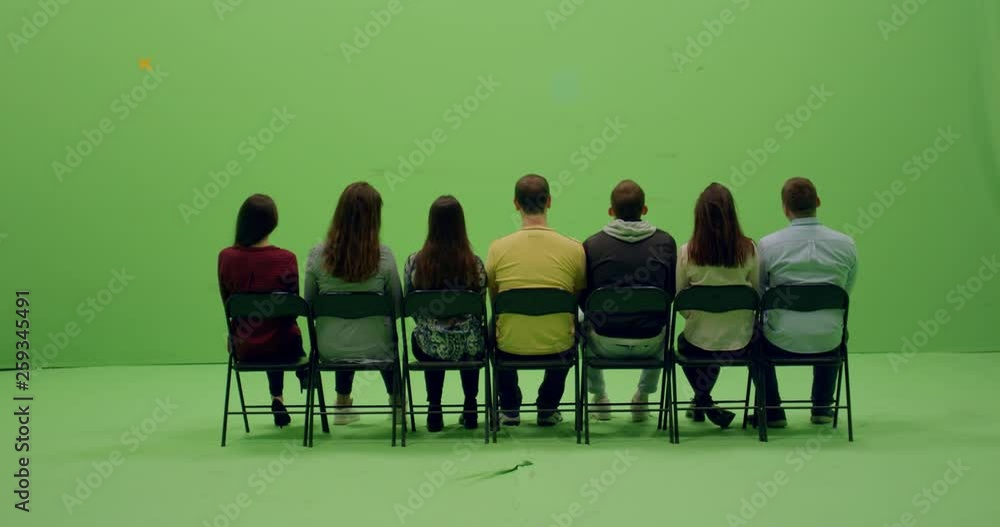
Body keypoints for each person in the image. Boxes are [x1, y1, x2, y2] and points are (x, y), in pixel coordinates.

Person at [756, 177, 858, 427]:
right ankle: (822, 407)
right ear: (818, 202)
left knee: (753, 338)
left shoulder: (768, 246)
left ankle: (773, 410)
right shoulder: (846, 245)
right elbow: (844, 294)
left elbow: (760, 294)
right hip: (829, 342)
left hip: (779, 342)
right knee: (832, 322)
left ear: (785, 208)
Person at [486, 174, 586, 427]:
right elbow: (576, 298)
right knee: (572, 323)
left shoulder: (497, 249)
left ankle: (509, 407)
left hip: (509, 346)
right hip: (558, 345)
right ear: (549, 201)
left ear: (515, 204)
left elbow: (495, 300)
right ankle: (548, 407)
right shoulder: (575, 249)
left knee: (494, 324)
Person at [304, 182, 402, 425]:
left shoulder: (316, 256)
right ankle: (398, 404)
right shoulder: (385, 256)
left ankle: (341, 404)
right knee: (380, 332)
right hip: (377, 347)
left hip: (329, 349)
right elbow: (398, 307)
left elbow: (308, 306)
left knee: (343, 326)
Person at [581, 180, 676, 422]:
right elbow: (670, 294)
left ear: (611, 211)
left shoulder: (592, 245)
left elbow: (584, 301)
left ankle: (600, 399)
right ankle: (642, 399)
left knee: (581, 317)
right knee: (665, 320)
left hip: (603, 342)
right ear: (644, 209)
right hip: (651, 343)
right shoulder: (665, 243)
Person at [218, 194, 307, 428]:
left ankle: (278, 398)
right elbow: (292, 308)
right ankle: (301, 377)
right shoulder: (286, 258)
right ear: (273, 222)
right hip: (285, 347)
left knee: (266, 329)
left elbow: (228, 303)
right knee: (280, 329)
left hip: (244, 347)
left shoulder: (226, 257)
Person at [675, 183, 760, 429]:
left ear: (699, 217)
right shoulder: (750, 250)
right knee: (756, 341)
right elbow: (756, 296)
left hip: (699, 343)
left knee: (685, 343)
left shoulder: (687, 252)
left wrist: (699, 317)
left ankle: (702, 400)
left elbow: (680, 300)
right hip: (742, 343)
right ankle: (765, 408)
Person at [403, 196, 487, 432]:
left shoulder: (414, 263)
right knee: (472, 339)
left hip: (428, 347)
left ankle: (434, 410)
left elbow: (411, 306)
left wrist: (434, 324)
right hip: (469, 347)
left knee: (428, 338)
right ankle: (470, 407)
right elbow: (479, 308)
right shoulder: (475, 264)